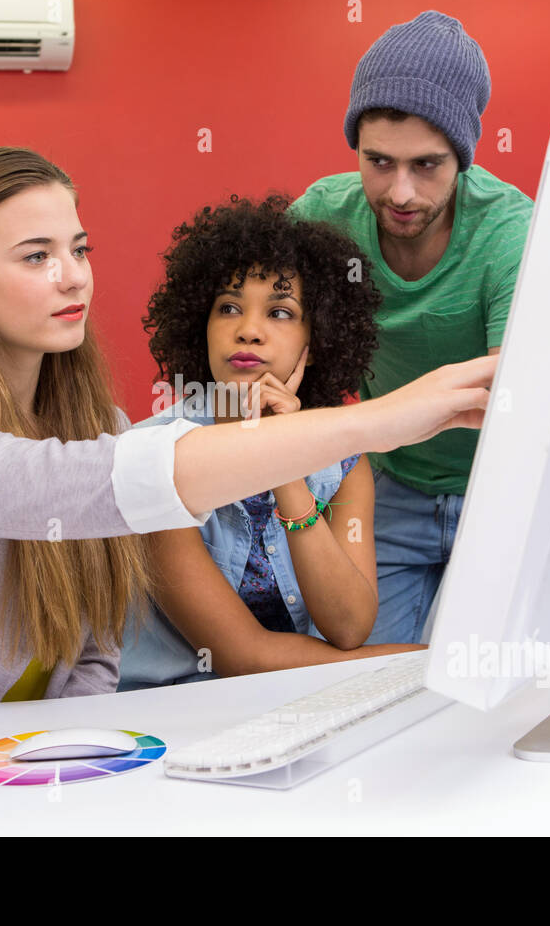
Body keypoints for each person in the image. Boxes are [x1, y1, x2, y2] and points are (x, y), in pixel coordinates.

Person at [0, 147, 497, 703]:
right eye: (38, 256)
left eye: (79, 250)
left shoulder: (99, 423)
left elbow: (92, 651)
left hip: (25, 751)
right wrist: (377, 422)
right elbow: (37, 487)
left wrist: (87, 756)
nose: (74, 276)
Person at [289, 11, 533, 645]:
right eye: (378, 161)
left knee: (485, 698)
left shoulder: (513, 232)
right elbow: (250, 333)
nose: (399, 191)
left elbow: (517, 395)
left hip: (498, 495)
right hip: (385, 490)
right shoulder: (322, 215)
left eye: (427, 165)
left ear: (463, 158)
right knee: (376, 688)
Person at [119, 194, 419, 690]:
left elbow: (349, 627)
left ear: (314, 342)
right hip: (160, 712)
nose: (249, 330)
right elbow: (239, 655)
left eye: (280, 312)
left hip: (278, 706)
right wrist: (414, 662)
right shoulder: (151, 458)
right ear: (202, 326)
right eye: (229, 307)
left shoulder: (343, 463)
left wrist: (284, 459)